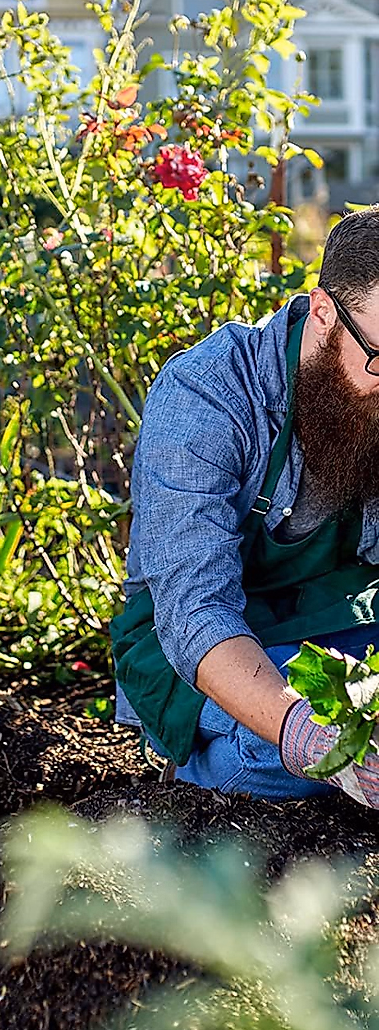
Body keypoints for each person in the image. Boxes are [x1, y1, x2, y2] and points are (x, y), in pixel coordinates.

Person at [111, 205, 379, 804]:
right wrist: (304, 733)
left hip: (337, 624)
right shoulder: (207, 394)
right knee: (296, 752)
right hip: (201, 646)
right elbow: (194, 609)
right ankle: (201, 782)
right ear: (323, 312)